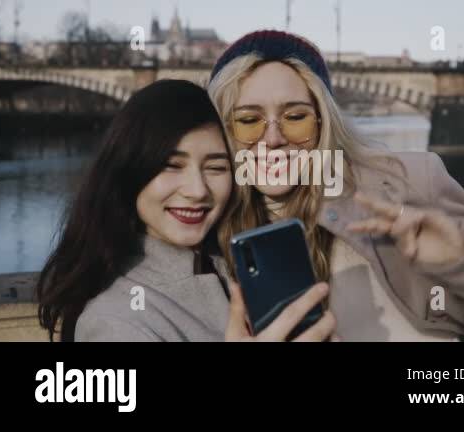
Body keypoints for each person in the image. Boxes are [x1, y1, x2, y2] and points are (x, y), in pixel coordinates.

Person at [208, 30, 464, 342]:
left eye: (296, 117)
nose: (273, 139)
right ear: (223, 129)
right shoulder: (208, 229)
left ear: (323, 122)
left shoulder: (407, 180)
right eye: (249, 121)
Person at [36, 79, 336, 342]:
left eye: (217, 167)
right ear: (129, 170)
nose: (197, 190)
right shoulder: (115, 322)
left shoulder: (236, 267)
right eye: (171, 165)